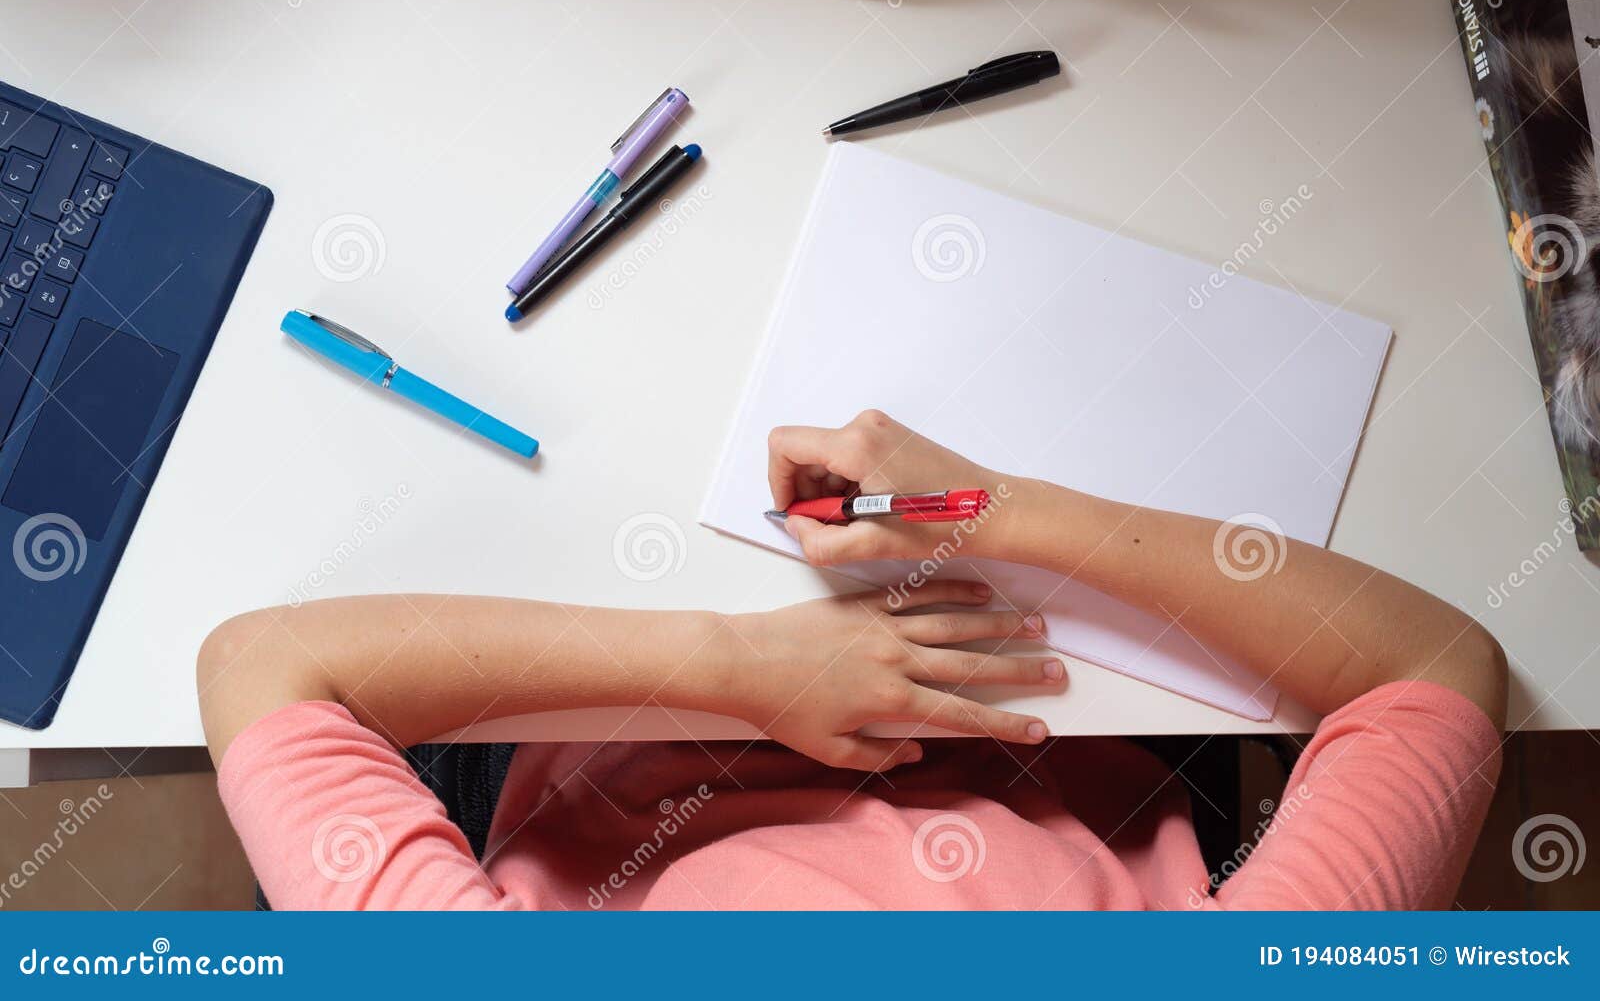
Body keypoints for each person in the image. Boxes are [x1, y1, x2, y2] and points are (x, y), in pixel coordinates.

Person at [200, 410, 1507, 910]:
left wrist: (734, 661)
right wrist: (989, 508)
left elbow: (267, 666)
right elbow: (1434, 675)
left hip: (622, 715)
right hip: (1068, 714)